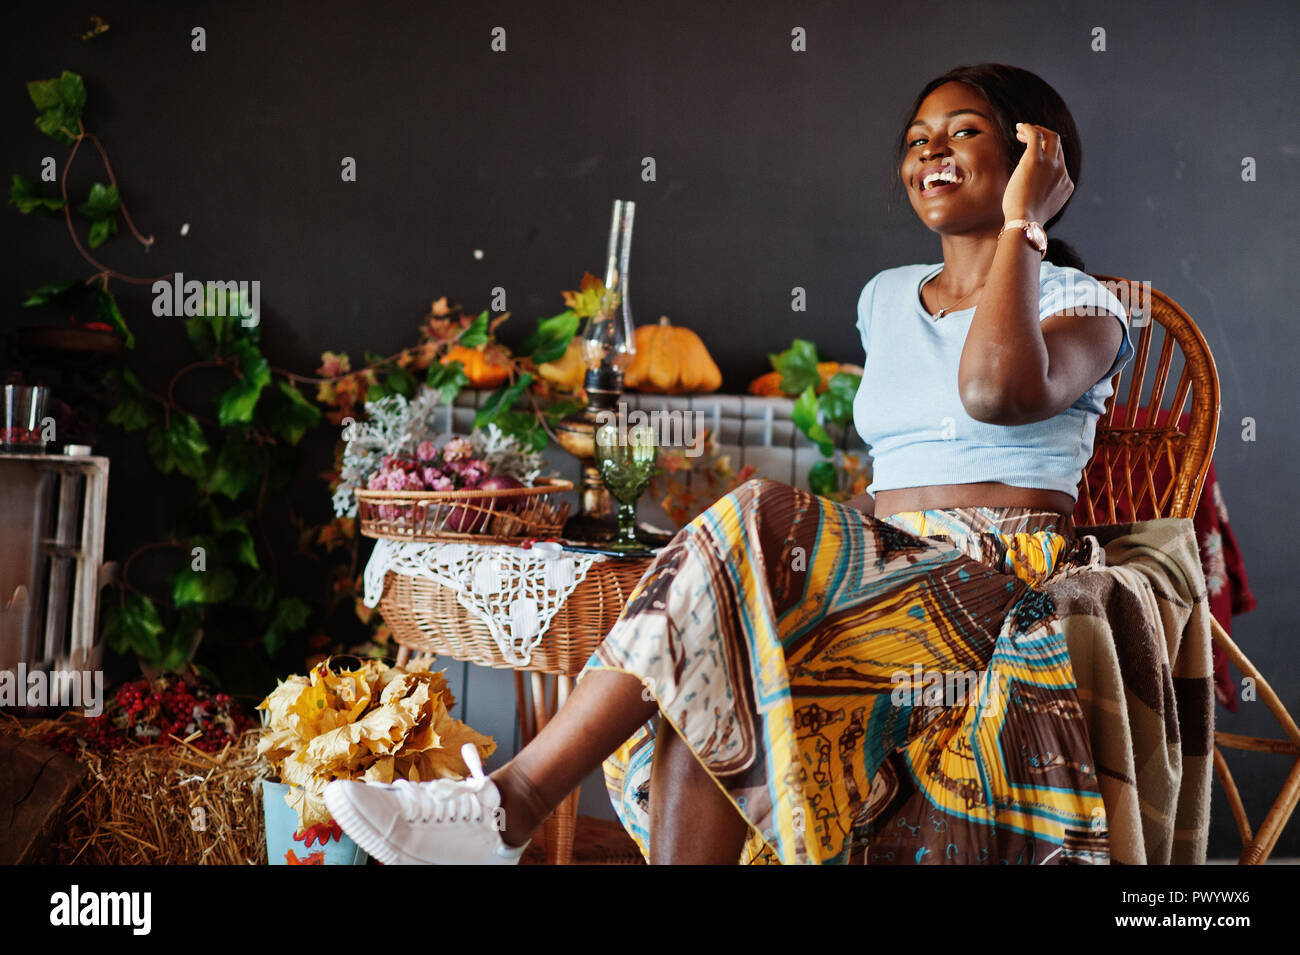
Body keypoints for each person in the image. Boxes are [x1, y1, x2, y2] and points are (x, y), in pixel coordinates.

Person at [325, 63, 1137, 865]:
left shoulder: (1086, 303)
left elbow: (994, 390)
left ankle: (513, 803)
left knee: (754, 513)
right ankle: (505, 811)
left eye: (965, 131)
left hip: (994, 582)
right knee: (708, 672)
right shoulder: (886, 296)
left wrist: (1021, 226)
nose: (933, 151)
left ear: (1039, 153)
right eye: (918, 137)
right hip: (884, 576)